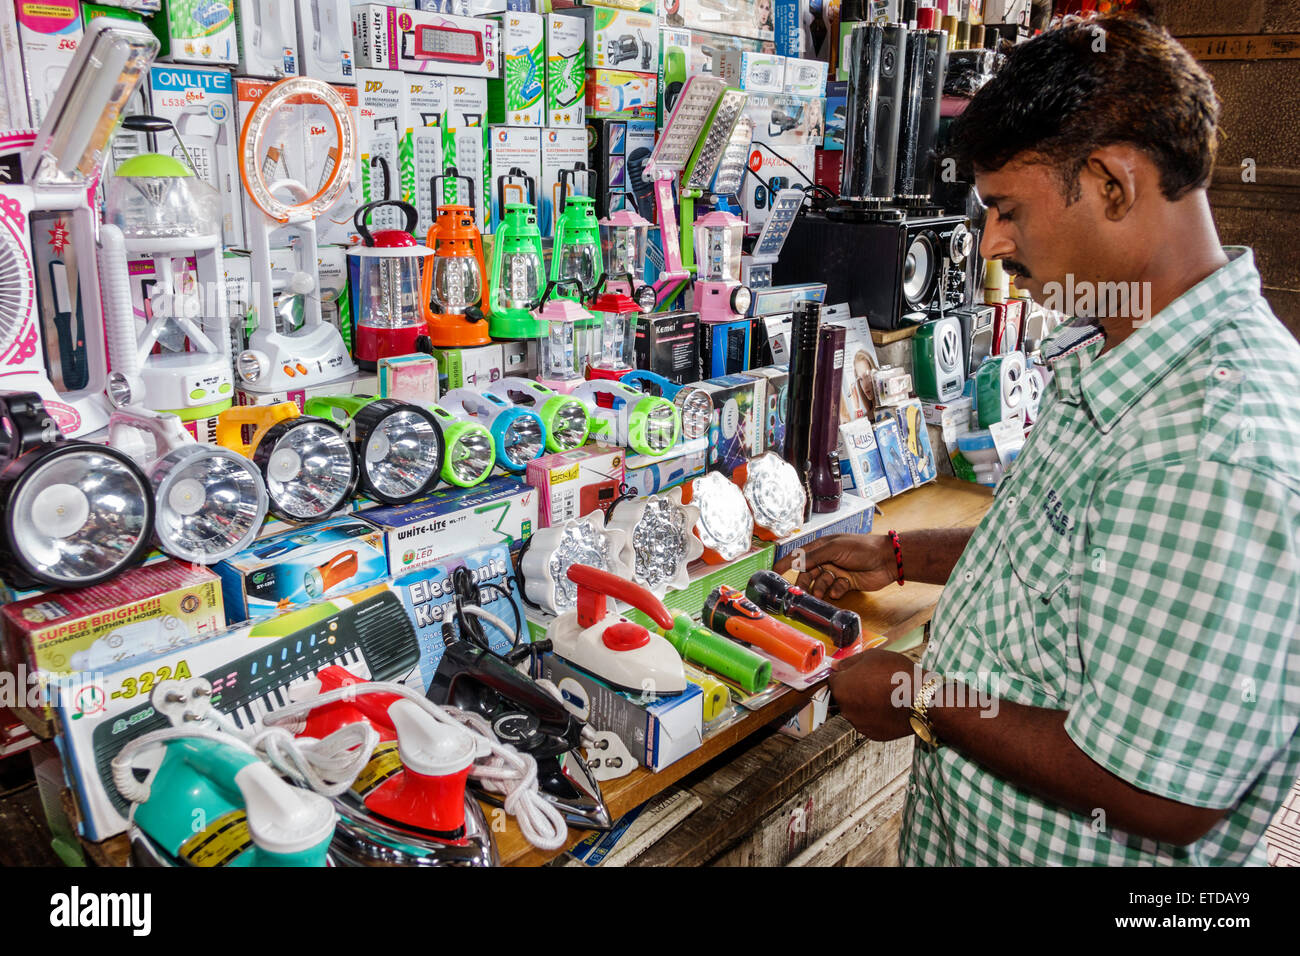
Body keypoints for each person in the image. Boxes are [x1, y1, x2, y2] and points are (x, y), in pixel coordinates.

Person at [774, 15, 1300, 865]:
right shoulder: (1118, 341)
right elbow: (1082, 550)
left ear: (1112, 185)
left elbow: (1160, 791)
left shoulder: (1214, 445)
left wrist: (919, 696)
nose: (993, 244)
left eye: (1008, 211)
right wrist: (905, 554)